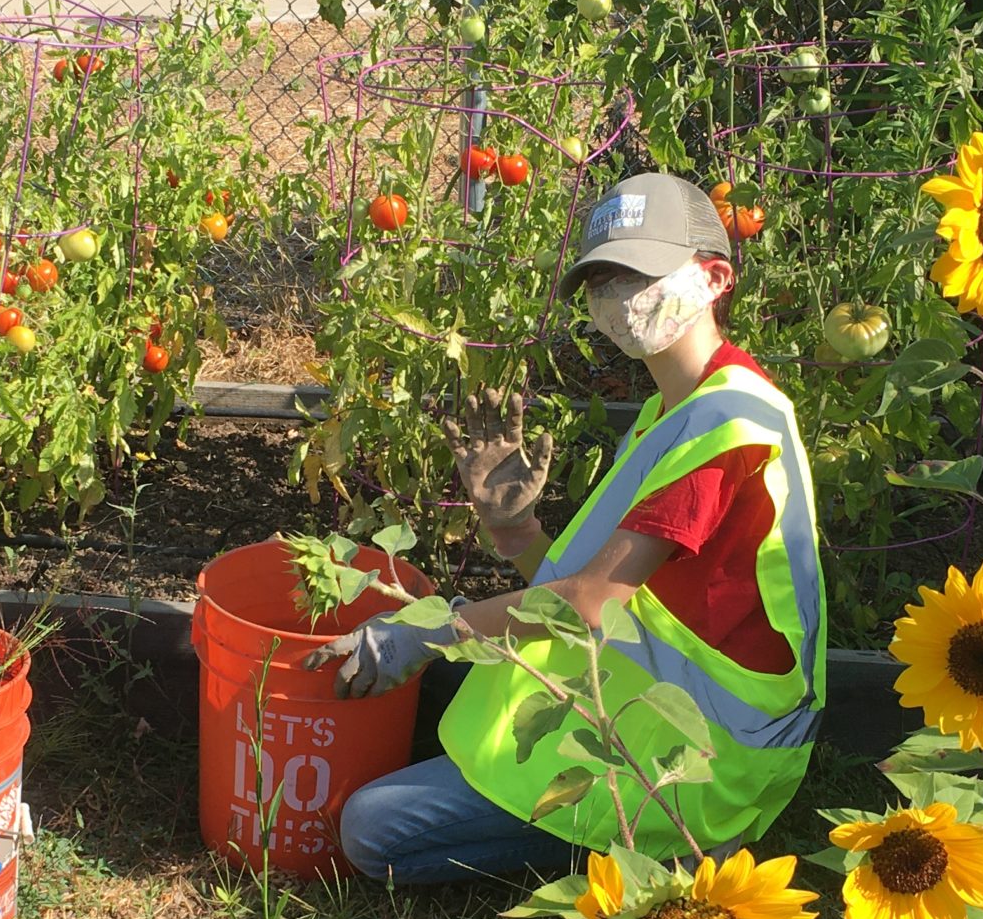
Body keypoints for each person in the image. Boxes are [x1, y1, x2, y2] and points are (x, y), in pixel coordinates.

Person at [312, 172, 826, 882]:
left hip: (706, 763)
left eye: (638, 273)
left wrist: (430, 630)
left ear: (714, 278)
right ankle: (621, 845)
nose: (617, 297)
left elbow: (590, 605)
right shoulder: (675, 413)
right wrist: (518, 532)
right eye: (602, 279)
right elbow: (620, 606)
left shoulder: (724, 423)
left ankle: (649, 855)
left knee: (371, 832)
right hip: (668, 719)